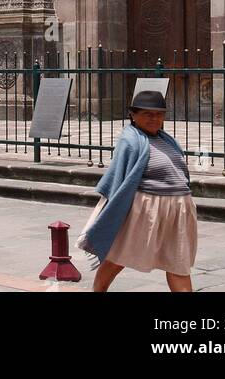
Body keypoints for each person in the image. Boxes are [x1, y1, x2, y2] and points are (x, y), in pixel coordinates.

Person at [77, 89, 197, 292]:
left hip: (179, 208)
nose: (154, 118)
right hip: (147, 209)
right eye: (147, 114)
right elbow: (119, 179)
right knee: (120, 257)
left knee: (179, 264)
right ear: (133, 115)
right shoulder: (130, 141)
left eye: (159, 114)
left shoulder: (167, 140)